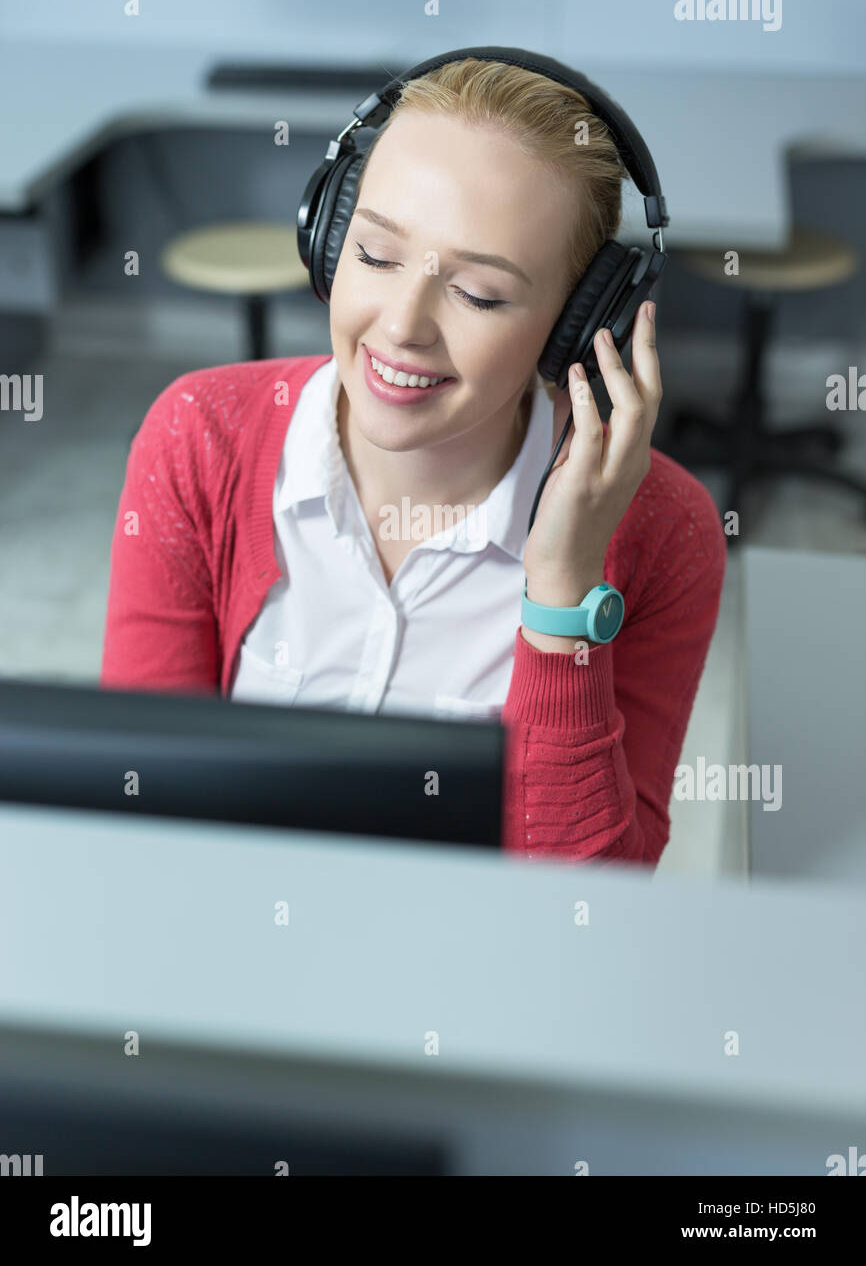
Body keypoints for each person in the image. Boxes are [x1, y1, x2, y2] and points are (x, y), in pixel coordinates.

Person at [101, 56, 726, 867]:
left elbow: (588, 906)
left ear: (578, 325)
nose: (402, 327)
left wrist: (563, 596)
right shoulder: (199, 436)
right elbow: (135, 808)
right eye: (375, 254)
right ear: (326, 240)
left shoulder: (662, 533)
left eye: (478, 294)